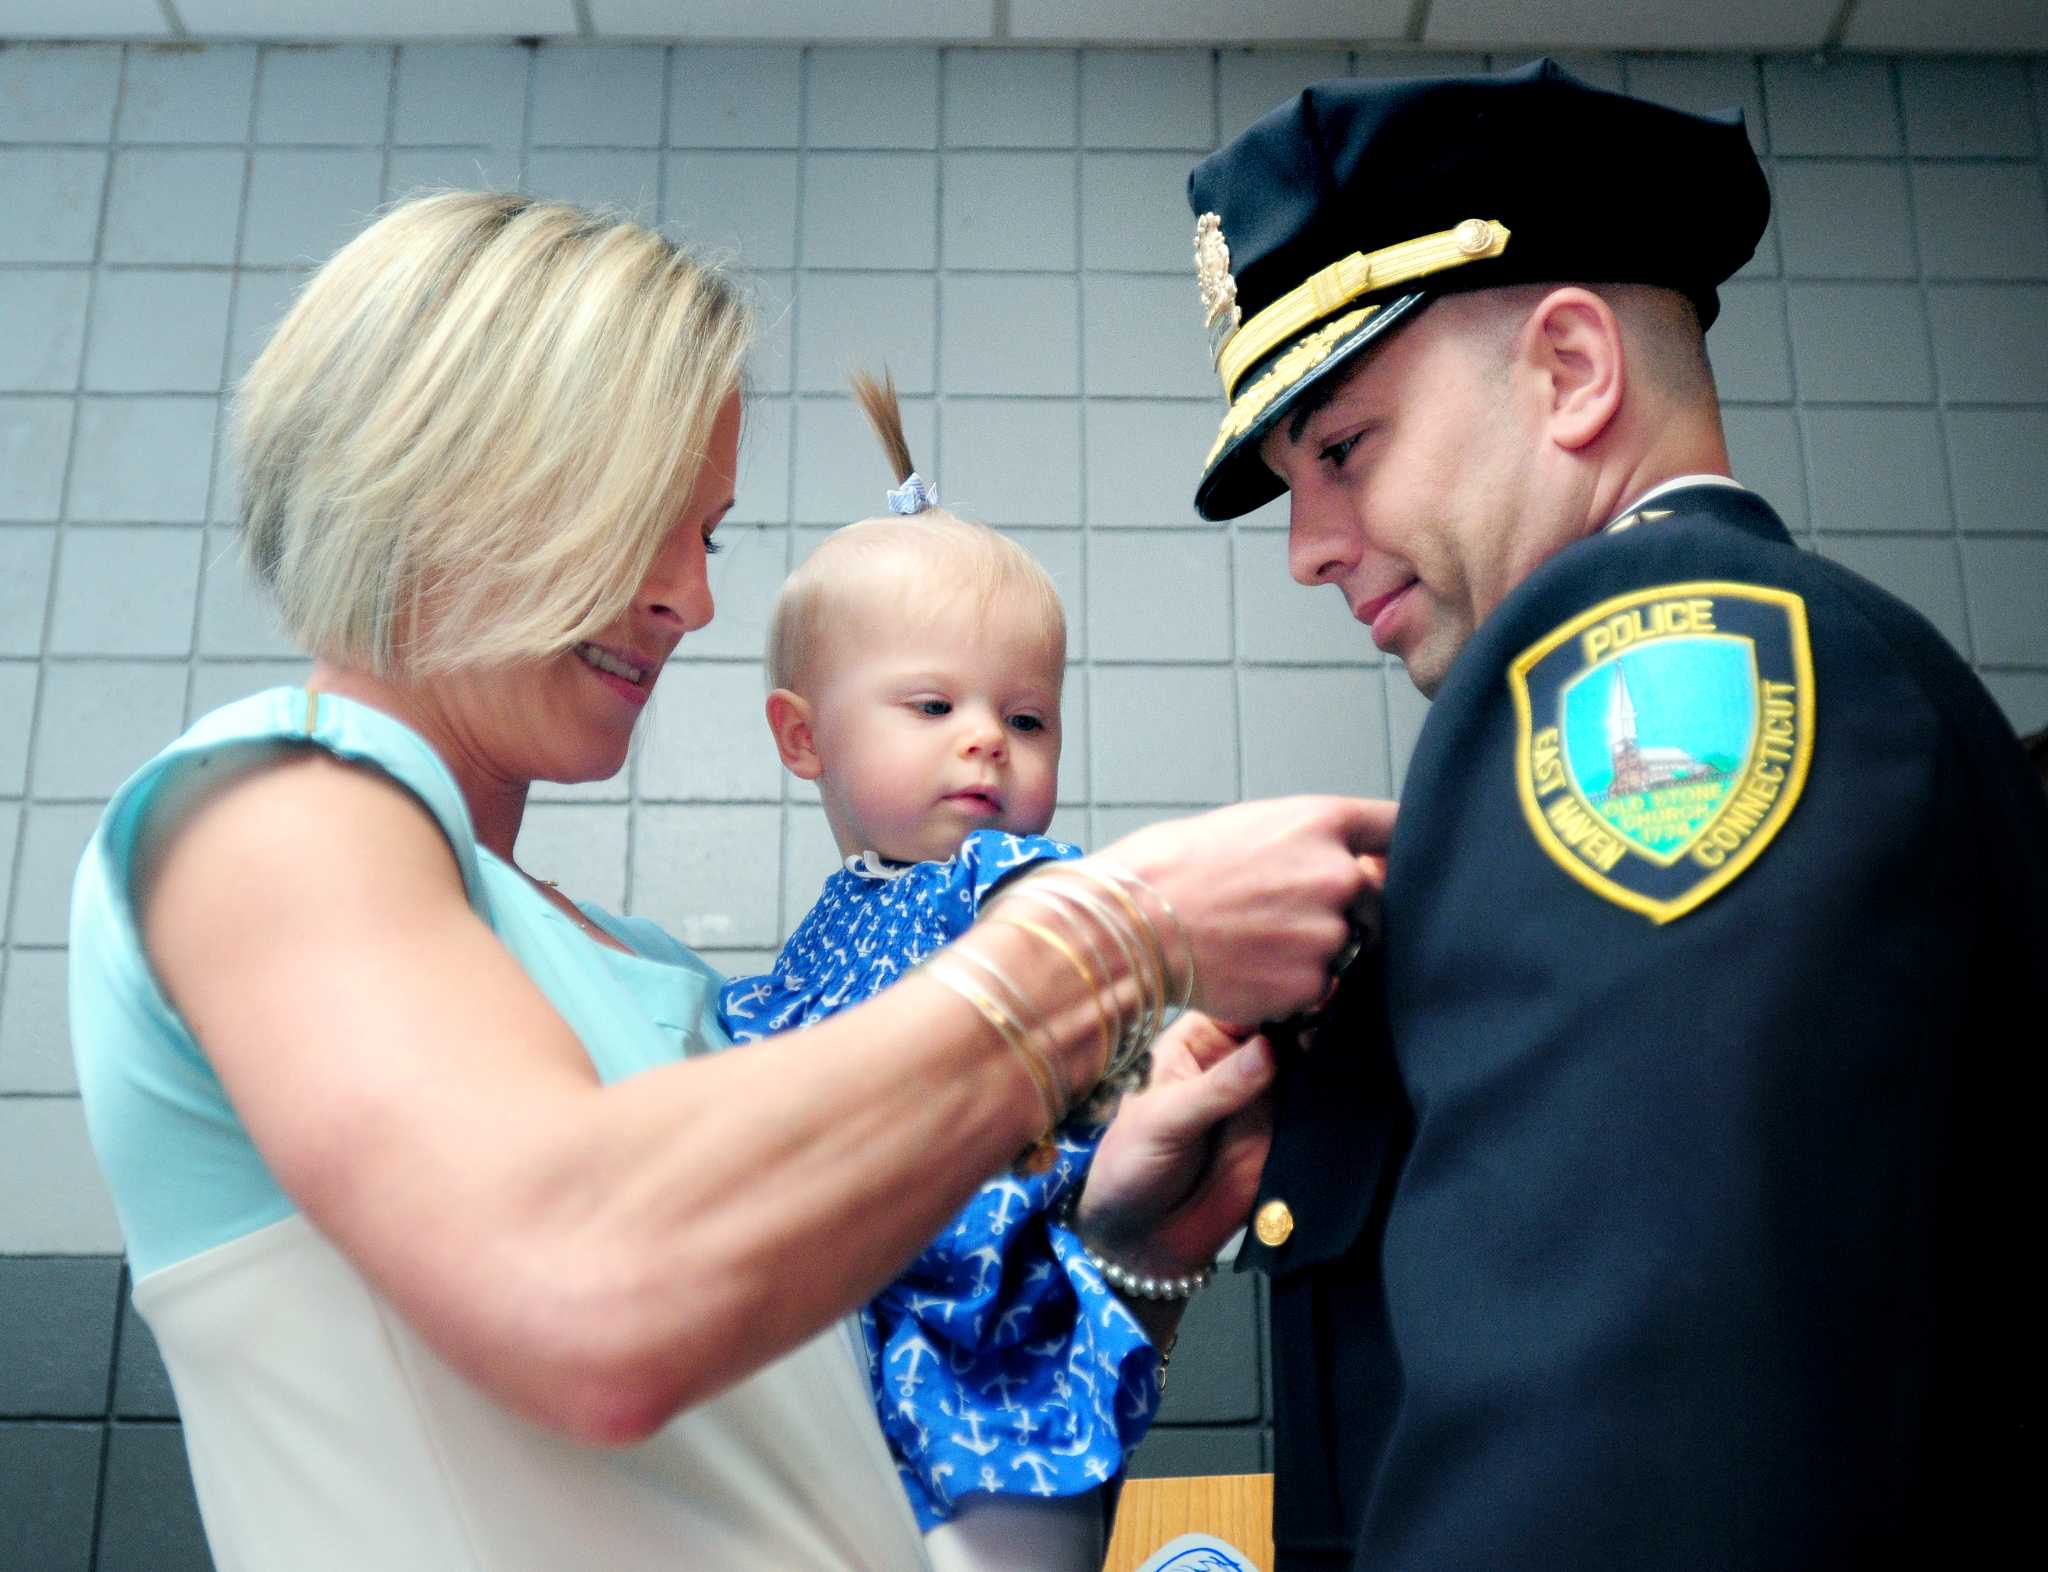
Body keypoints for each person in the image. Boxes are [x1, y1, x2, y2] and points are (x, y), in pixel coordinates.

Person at [65, 190, 1395, 1572]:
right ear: (447, 469)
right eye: (655, 518)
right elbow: (588, 1295)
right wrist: (1120, 934)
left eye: (710, 536)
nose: (694, 603)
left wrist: (1130, 1251)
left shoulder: (664, 984)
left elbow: (877, 1501)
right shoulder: (256, 806)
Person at [1181, 60, 2048, 1569]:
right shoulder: (1734, 659)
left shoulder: (1660, 650)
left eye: (1341, 449)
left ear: (1573, 370)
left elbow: (1634, 1429)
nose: (1309, 549)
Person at [717, 372, 1171, 1571]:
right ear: (802, 736)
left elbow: (1108, 963)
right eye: (933, 703)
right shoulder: (829, 928)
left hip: (989, 1322)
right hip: (845, 1326)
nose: (984, 737)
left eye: (1026, 719)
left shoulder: (1012, 886)